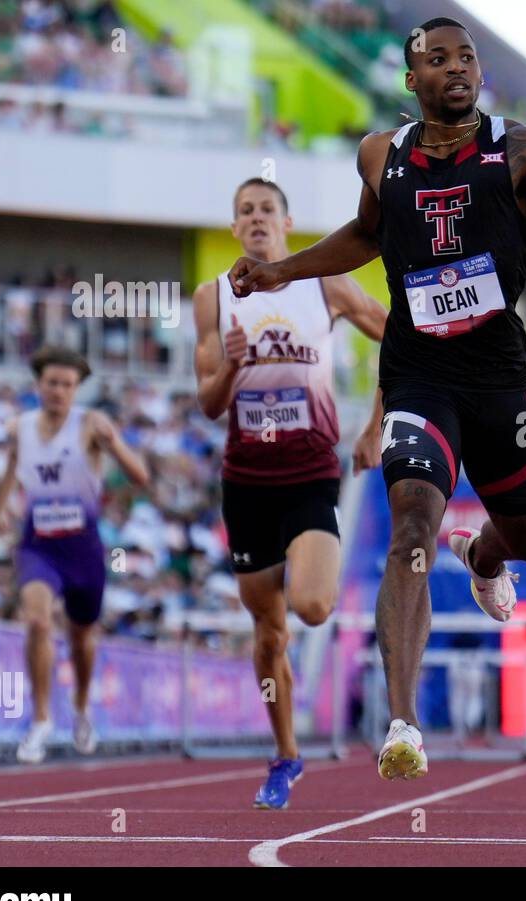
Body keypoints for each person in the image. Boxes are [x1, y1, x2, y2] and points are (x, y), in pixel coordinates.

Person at [228, 17, 526, 781]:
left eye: (466, 56)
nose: (457, 68)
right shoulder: (383, 155)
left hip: (503, 375)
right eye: (438, 60)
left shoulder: (524, 150)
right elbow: (367, 237)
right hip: (418, 372)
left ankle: (482, 556)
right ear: (412, 81)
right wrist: (283, 272)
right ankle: (402, 725)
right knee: (410, 526)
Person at [193, 178, 387, 809]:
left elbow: (401, 337)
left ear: (285, 222)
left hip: (308, 476)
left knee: (311, 606)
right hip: (245, 485)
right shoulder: (212, 298)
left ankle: (294, 746)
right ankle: (286, 755)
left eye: (265, 209)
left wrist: (375, 423)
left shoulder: (324, 283)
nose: (255, 218)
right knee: (269, 634)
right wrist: (230, 365)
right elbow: (208, 405)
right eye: (244, 210)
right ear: (233, 228)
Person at [0, 346, 150, 763]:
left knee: (82, 637)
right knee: (38, 620)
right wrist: (0, 508)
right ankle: (41, 720)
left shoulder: (91, 425)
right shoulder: (19, 428)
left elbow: (140, 475)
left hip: (83, 547)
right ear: (38, 385)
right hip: (38, 544)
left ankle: (80, 707)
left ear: (77, 389)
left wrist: (114, 445)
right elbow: (12, 465)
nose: (59, 391)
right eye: (52, 383)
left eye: (67, 385)